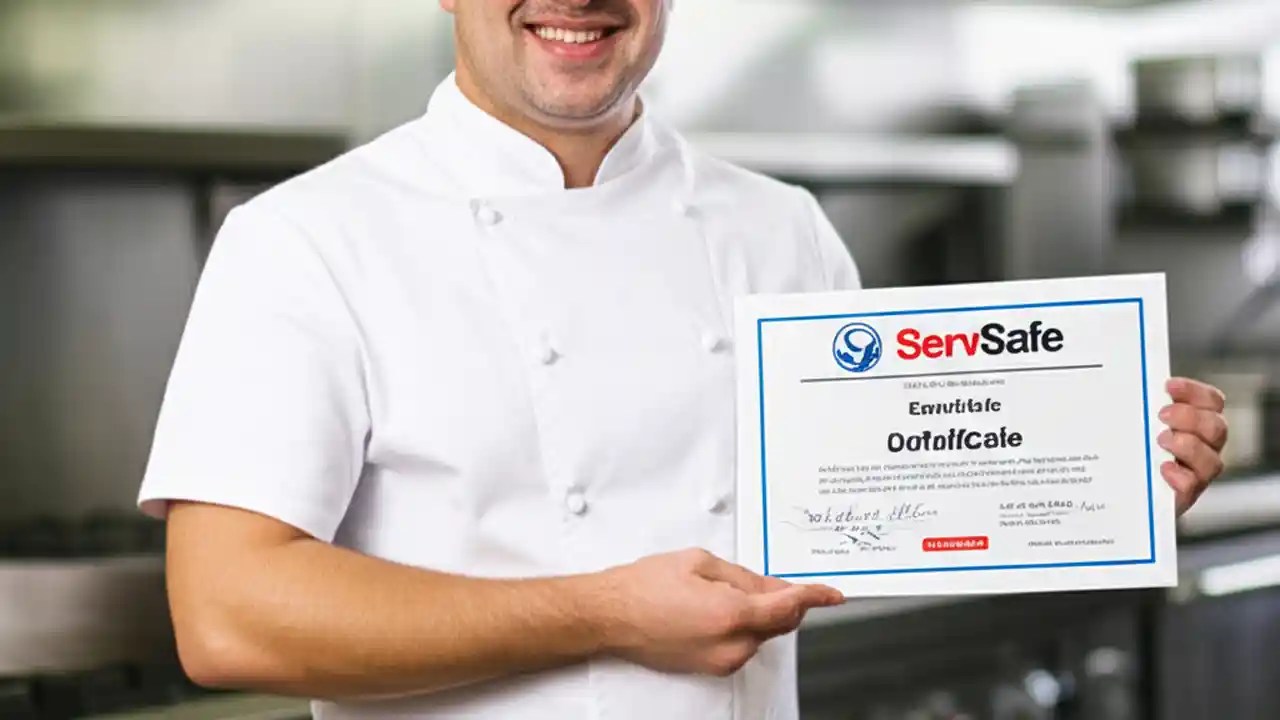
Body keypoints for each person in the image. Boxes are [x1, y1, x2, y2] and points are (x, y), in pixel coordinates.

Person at [138, 1, 1230, 718]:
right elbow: (227, 614)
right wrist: (600, 612)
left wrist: (1101, 478)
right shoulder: (308, 239)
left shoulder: (781, 229)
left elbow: (880, 516)